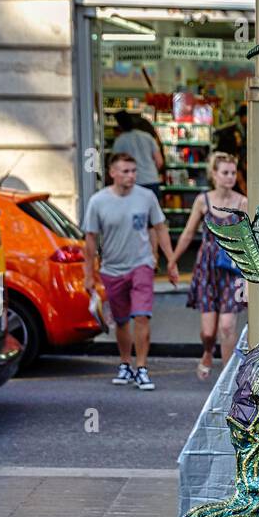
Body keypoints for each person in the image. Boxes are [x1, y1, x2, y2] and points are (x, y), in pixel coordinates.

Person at [83, 153, 178, 390]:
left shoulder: (146, 197)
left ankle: (142, 368)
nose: (131, 175)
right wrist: (88, 275)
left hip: (141, 265)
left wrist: (171, 261)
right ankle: (125, 363)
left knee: (142, 315)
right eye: (125, 171)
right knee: (122, 321)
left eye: (134, 171)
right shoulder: (98, 201)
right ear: (112, 173)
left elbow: (160, 227)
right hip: (112, 269)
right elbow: (91, 240)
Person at [168, 152, 248, 379]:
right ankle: (206, 352)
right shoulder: (203, 201)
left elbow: (250, 240)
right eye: (225, 172)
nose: (230, 177)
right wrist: (172, 261)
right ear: (214, 174)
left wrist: (252, 278)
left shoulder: (242, 202)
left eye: (233, 173)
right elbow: (188, 233)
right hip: (206, 268)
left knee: (227, 326)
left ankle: (227, 377)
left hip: (232, 269)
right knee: (208, 331)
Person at [111, 111, 165, 201]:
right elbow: (159, 162)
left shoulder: (120, 141)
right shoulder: (147, 137)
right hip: (152, 180)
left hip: (133, 182)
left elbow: (114, 164)